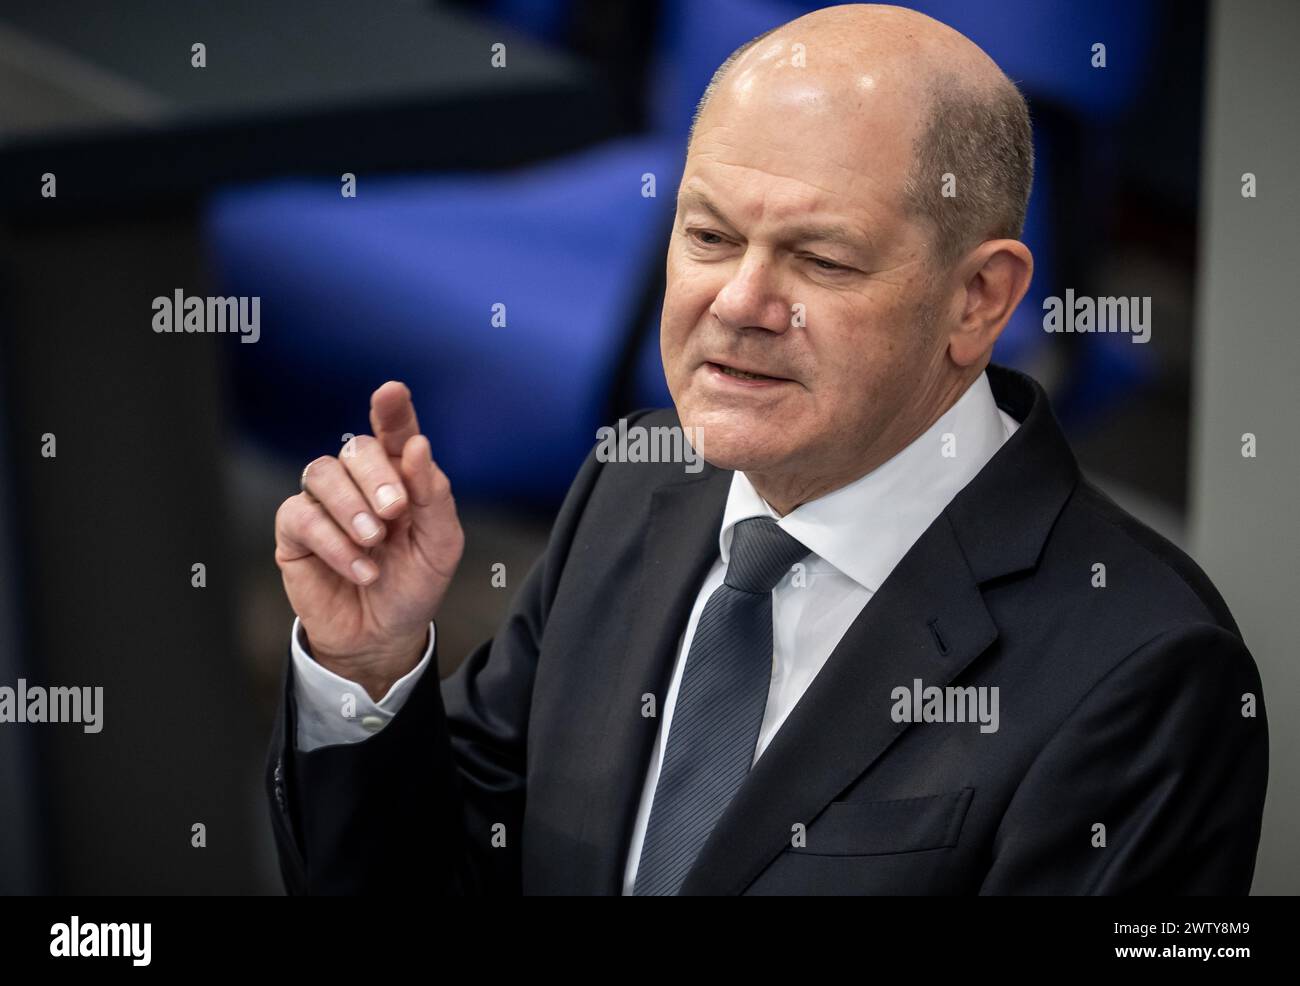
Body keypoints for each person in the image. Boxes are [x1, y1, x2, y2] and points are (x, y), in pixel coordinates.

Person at [266, 3, 1267, 894]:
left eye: (820, 258)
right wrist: (371, 672)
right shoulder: (636, 478)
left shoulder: (1144, 674)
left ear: (980, 300)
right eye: (707, 237)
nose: (737, 303)